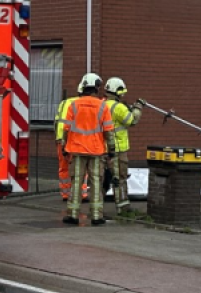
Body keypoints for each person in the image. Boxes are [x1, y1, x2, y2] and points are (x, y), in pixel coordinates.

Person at [59, 73, 113, 226]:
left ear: (83, 86)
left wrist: (64, 146)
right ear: (96, 87)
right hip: (96, 151)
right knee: (96, 182)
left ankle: (73, 214)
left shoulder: (73, 105)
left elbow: (66, 128)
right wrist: (112, 149)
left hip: (76, 149)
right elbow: (108, 130)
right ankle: (96, 216)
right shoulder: (103, 106)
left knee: (76, 181)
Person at [55, 74, 98, 201]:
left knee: (64, 168)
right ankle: (82, 194)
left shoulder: (64, 102)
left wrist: (59, 139)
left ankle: (66, 193)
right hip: (74, 140)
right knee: (80, 168)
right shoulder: (81, 104)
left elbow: (57, 122)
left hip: (60, 139)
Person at [102, 77, 142, 214]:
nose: (123, 95)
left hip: (103, 149)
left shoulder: (102, 105)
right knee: (120, 178)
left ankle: (97, 207)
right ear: (116, 91)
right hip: (118, 149)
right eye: (121, 92)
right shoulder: (118, 107)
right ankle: (123, 208)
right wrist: (138, 108)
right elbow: (132, 121)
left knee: (104, 178)